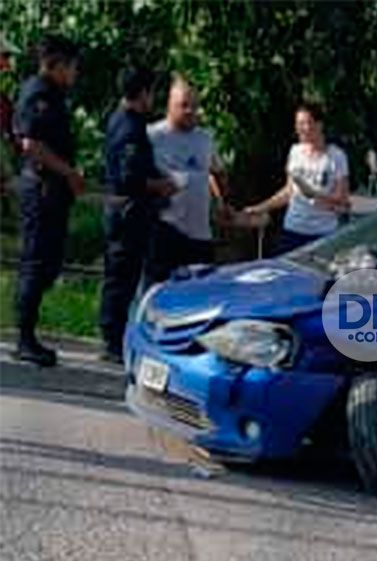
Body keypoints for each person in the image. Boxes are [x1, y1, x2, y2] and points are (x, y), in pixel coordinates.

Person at [12, 35, 84, 367]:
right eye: (71, 66)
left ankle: (28, 335)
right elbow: (31, 144)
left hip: (53, 190)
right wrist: (68, 172)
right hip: (41, 188)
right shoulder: (38, 93)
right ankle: (24, 339)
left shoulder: (53, 94)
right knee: (36, 261)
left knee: (49, 261)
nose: (75, 73)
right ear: (54, 64)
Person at [98, 67, 177, 363]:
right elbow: (129, 177)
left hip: (129, 211)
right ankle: (112, 340)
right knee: (121, 277)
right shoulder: (130, 127)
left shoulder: (123, 120)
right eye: (151, 91)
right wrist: (162, 186)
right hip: (128, 212)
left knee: (125, 275)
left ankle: (115, 335)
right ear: (142, 93)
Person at [145, 75, 229, 283]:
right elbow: (135, 179)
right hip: (164, 231)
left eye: (194, 106)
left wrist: (222, 203)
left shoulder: (205, 138)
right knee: (158, 290)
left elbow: (217, 172)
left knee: (201, 291)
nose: (190, 111)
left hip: (199, 234)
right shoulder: (152, 136)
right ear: (169, 106)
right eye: (183, 105)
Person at [244, 102, 349, 255]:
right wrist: (259, 208)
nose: (300, 128)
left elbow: (342, 200)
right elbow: (288, 192)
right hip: (292, 230)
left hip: (323, 233)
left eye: (305, 123)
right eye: (298, 123)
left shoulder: (336, 156)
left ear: (319, 125)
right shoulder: (295, 152)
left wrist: (313, 193)